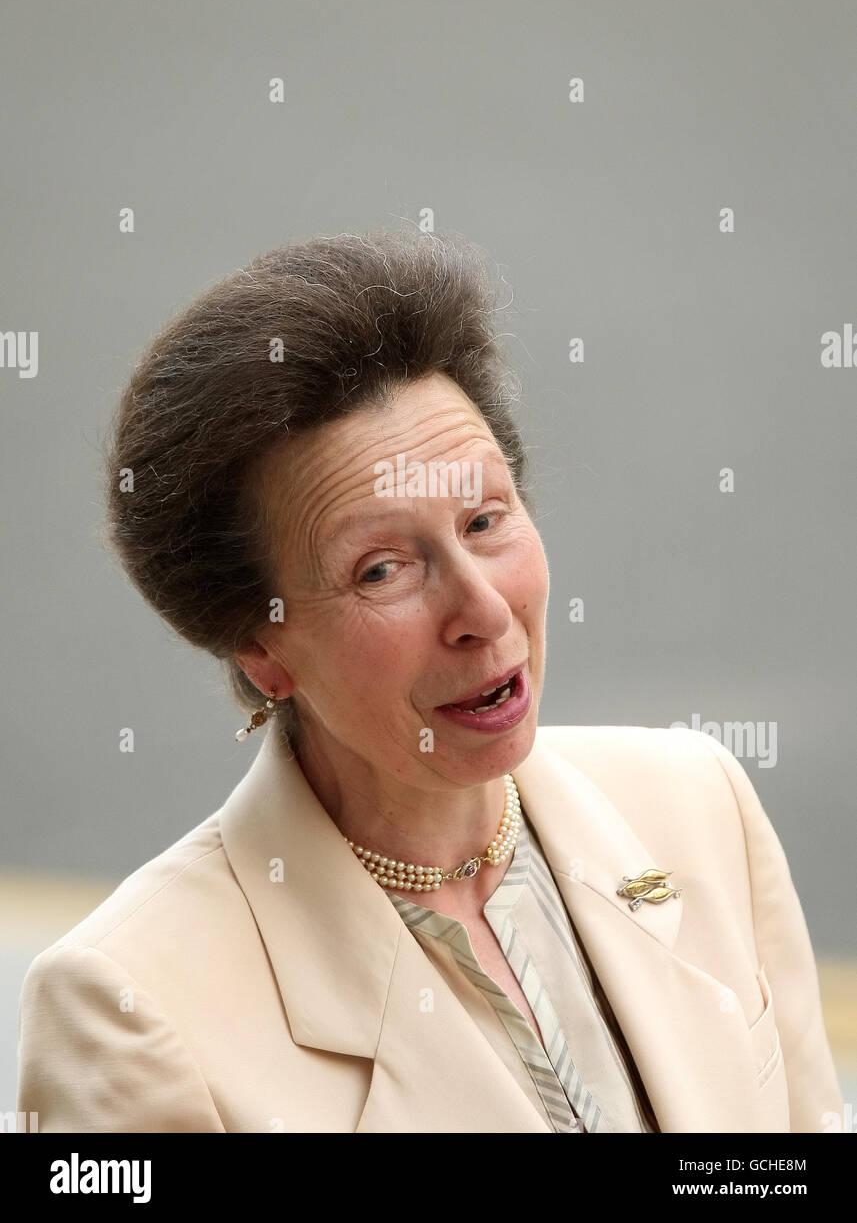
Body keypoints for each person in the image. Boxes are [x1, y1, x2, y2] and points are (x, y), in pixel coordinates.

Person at [16, 231, 842, 1132]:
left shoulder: (697, 808)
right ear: (262, 650)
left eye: (486, 518)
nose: (483, 610)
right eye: (380, 570)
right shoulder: (132, 1009)